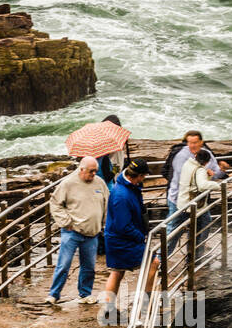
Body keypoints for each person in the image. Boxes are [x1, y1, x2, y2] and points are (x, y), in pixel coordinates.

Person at [46, 156, 108, 307]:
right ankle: (54, 295)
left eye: (95, 171)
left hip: (92, 233)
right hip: (72, 232)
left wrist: (104, 223)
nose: (94, 174)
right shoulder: (68, 183)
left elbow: (107, 202)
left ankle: (85, 294)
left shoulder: (100, 182)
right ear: (82, 169)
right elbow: (55, 203)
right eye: (91, 171)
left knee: (89, 266)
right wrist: (66, 222)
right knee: (64, 264)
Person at [101, 157, 158, 311]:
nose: (144, 179)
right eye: (144, 176)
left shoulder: (127, 186)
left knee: (117, 272)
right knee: (153, 263)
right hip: (123, 240)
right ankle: (146, 303)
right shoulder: (122, 196)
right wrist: (140, 237)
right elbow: (123, 226)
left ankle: (108, 308)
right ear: (138, 176)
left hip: (116, 238)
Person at [165, 130, 228, 252]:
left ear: (201, 142)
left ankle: (195, 257)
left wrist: (222, 170)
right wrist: (206, 174)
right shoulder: (181, 156)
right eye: (190, 143)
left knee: (204, 224)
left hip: (198, 202)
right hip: (179, 200)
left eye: (195, 142)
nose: (193, 145)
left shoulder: (206, 154)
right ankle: (159, 260)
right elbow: (188, 179)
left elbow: (215, 173)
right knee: (173, 232)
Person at [178, 147, 219, 241]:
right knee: (203, 225)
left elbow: (194, 182)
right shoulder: (200, 170)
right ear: (206, 162)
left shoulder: (188, 164)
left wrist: (207, 176)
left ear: (195, 156)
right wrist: (218, 185)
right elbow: (202, 186)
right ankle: (198, 250)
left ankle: (193, 250)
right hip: (195, 205)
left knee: (193, 228)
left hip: (183, 202)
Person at [96, 114, 128, 186]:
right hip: (112, 182)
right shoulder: (118, 143)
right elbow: (111, 173)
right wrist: (116, 169)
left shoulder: (102, 147)